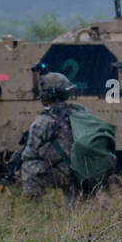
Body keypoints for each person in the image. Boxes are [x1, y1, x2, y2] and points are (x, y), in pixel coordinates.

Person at [20, 72, 86, 203]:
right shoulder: (81, 111)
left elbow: (30, 153)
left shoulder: (43, 121)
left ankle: (35, 208)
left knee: (28, 166)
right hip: (83, 171)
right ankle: (77, 206)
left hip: (63, 173)